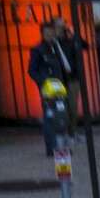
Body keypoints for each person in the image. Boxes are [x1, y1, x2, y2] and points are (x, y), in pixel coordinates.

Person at [28, 21, 69, 155]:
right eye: (47, 33)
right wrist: (43, 82)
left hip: (60, 88)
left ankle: (61, 146)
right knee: (50, 117)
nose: (50, 36)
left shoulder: (56, 48)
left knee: (61, 116)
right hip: (48, 90)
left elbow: (64, 67)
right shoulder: (38, 50)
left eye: (52, 33)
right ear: (43, 34)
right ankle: (52, 147)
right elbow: (32, 70)